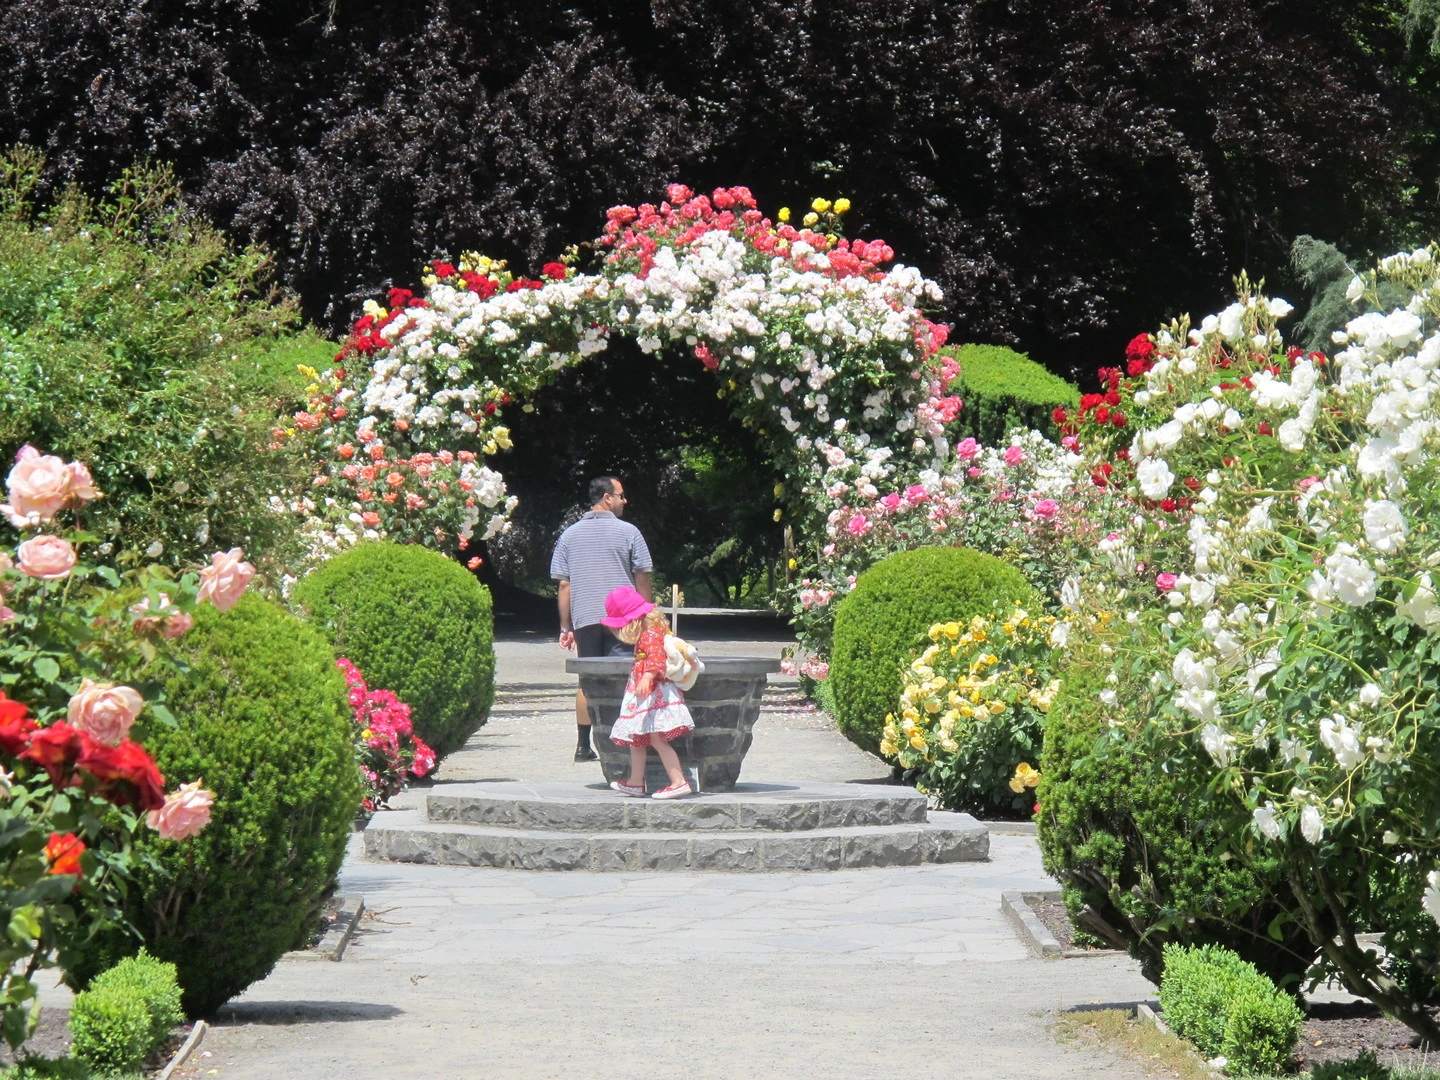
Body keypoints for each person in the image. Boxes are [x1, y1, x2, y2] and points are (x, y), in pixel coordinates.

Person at [551, 476, 654, 762]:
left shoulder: (569, 535)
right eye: (621, 495)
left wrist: (565, 626)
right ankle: (623, 742)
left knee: (587, 681)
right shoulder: (630, 532)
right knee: (625, 677)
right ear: (607, 498)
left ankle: (584, 746)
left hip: (585, 618)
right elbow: (641, 576)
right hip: (625, 619)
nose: (624, 500)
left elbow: (564, 585)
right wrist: (647, 614)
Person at [600, 586, 695, 800]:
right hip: (644, 697)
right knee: (637, 739)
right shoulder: (649, 631)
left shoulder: (650, 634)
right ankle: (635, 782)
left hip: (653, 696)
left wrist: (648, 676)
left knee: (657, 738)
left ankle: (678, 781)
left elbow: (655, 659)